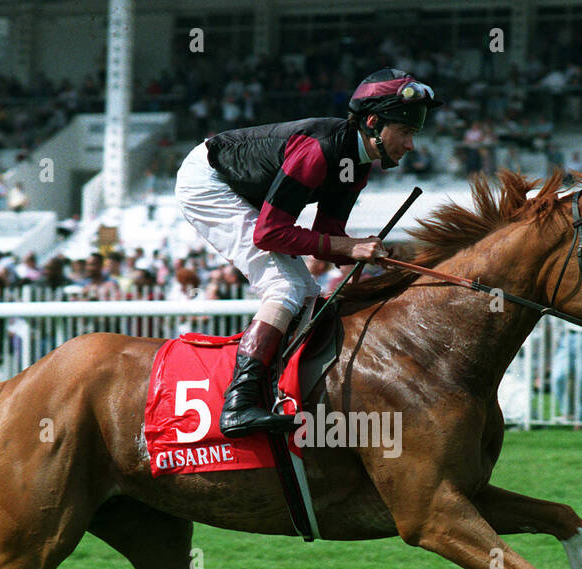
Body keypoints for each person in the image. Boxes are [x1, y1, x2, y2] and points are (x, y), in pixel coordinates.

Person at [174, 68, 440, 437]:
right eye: (407, 132)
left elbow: (327, 236)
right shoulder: (319, 148)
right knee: (284, 286)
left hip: (245, 190)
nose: (411, 145)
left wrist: (382, 255)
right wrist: (348, 246)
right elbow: (269, 234)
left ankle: (282, 390)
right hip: (208, 181)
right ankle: (239, 404)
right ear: (374, 122)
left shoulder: (355, 165)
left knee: (309, 292)